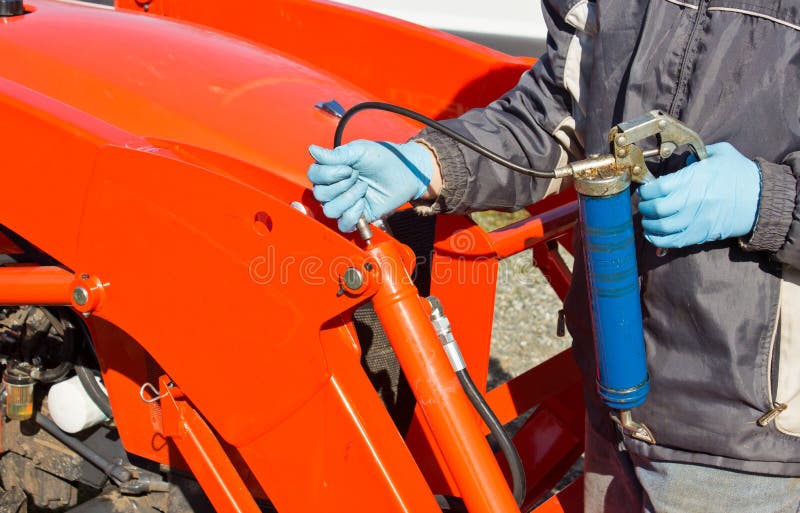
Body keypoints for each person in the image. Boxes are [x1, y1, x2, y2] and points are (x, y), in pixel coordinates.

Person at [307, 2, 800, 511]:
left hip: (753, 442)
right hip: (616, 398)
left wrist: (769, 201)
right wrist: (428, 163)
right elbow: (554, 116)